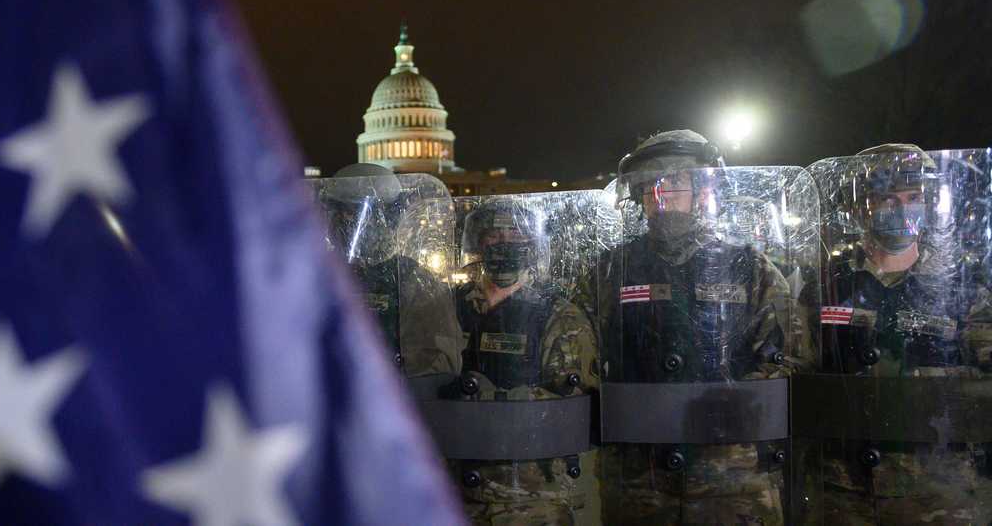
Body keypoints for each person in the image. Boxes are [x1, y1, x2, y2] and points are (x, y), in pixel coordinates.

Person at [599, 130, 805, 525]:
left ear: (705, 190)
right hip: (641, 477)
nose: (660, 197)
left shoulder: (752, 268)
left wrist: (724, 405)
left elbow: (791, 359)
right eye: (649, 187)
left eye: (675, 183)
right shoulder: (611, 270)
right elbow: (589, 355)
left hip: (732, 476)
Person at [812, 144, 992, 524]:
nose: (902, 209)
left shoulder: (963, 289)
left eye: (913, 197)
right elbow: (799, 370)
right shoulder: (827, 284)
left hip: (938, 489)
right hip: (843, 489)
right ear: (863, 208)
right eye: (887, 198)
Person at [446, 196, 598, 525]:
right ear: (478, 242)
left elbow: (567, 407)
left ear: (531, 243)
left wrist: (484, 400)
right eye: (494, 235)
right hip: (453, 493)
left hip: (530, 498)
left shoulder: (558, 314)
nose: (504, 243)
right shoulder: (450, 308)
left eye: (514, 234)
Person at [316, 163, 463, 379]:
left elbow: (438, 364)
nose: (340, 222)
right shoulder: (321, 277)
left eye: (351, 213)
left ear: (384, 219)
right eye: (336, 212)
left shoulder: (414, 281)